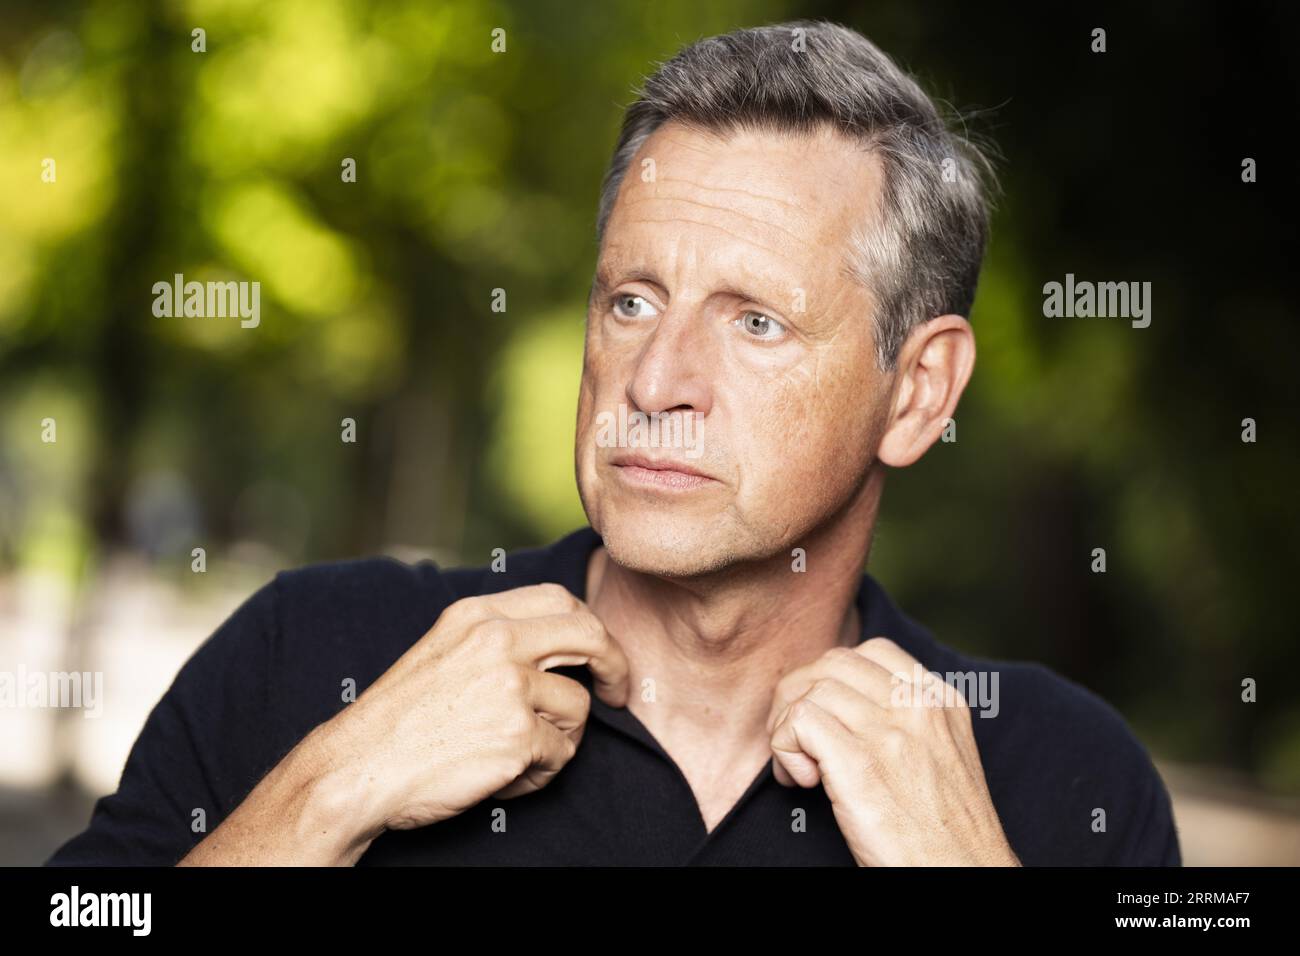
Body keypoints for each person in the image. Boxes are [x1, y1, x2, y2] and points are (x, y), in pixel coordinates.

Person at [47, 20, 1180, 867]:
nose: (655, 380)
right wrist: (328, 790)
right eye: (632, 300)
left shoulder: (1063, 775)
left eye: (755, 321)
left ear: (918, 390)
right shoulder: (313, 651)